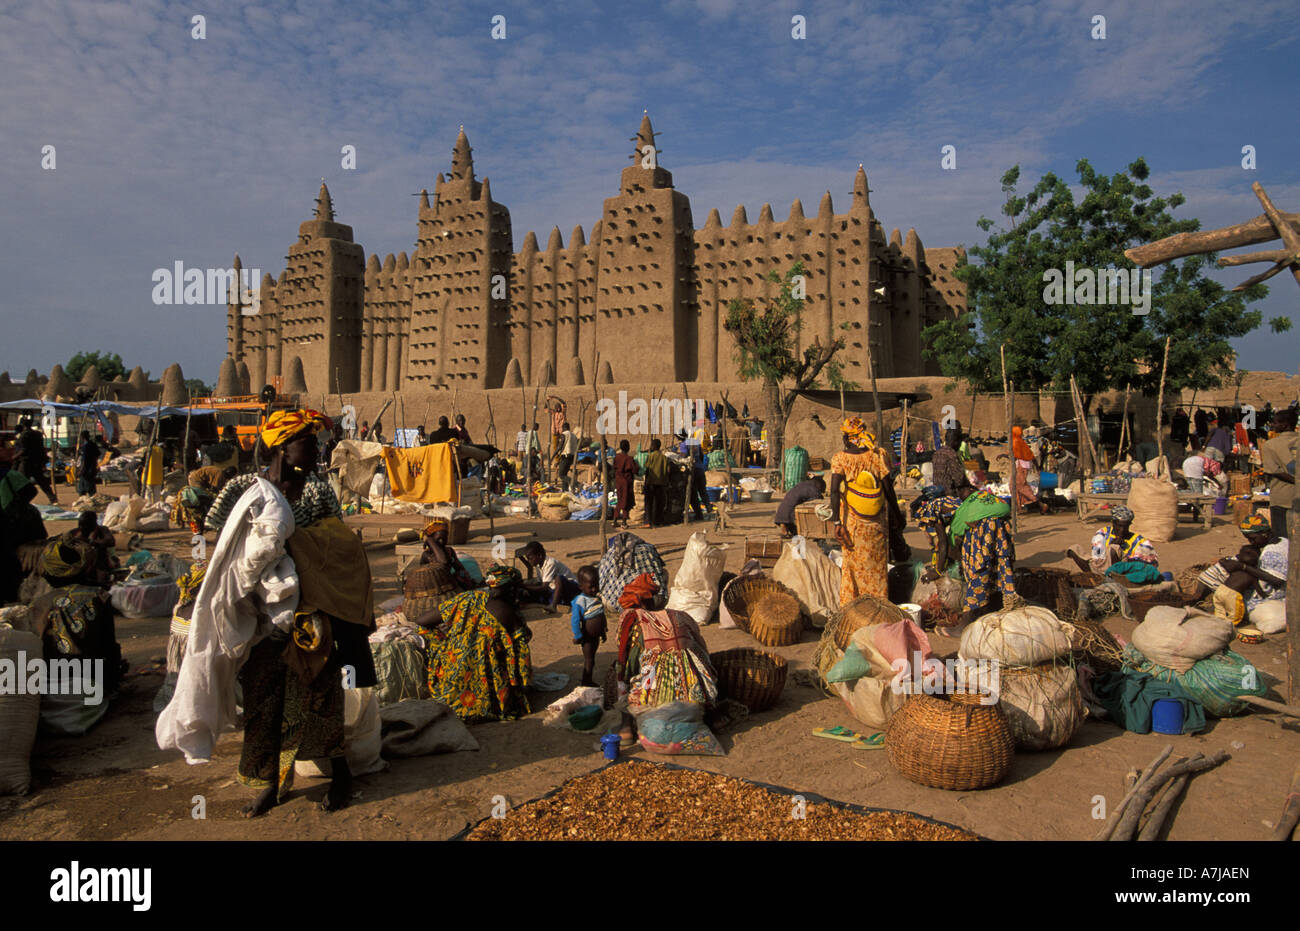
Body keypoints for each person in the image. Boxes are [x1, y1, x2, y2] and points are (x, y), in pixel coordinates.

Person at [226, 409, 375, 817]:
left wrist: (296, 549)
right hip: (261, 614)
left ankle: (340, 773)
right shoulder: (245, 489)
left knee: (319, 692)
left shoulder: (318, 491)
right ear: (282, 446)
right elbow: (224, 542)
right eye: (307, 443)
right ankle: (269, 782)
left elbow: (340, 546)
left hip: (312, 611)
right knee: (263, 697)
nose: (315, 451)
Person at [414, 565, 532, 722]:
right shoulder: (512, 616)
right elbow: (522, 664)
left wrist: (443, 642)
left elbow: (421, 621)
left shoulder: (467, 599)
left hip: (449, 681)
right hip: (487, 695)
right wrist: (520, 688)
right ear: (512, 589)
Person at [919, 482, 1016, 637]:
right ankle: (999, 611)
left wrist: (937, 570)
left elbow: (943, 544)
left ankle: (964, 625)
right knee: (997, 570)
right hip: (1000, 528)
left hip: (982, 532)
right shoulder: (961, 504)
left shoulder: (933, 511)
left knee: (978, 574)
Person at [614, 573, 718, 709]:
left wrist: (625, 679)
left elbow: (631, 662)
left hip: (655, 695)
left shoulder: (636, 620)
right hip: (695, 694)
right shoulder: (680, 615)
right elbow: (702, 651)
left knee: (639, 695)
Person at [828, 417, 892, 604]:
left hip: (852, 526)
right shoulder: (876, 455)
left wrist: (837, 522)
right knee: (877, 569)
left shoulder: (841, 458)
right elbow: (888, 490)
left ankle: (853, 610)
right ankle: (878, 608)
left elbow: (833, 491)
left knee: (852, 569)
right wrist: (896, 517)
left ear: (848, 438)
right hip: (876, 524)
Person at [1183, 514, 1287, 621]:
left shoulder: (1272, 552)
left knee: (1240, 577)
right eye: (1248, 539)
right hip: (1272, 585)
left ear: (1264, 534)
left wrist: (1242, 566)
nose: (1251, 542)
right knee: (1225, 571)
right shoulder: (1282, 540)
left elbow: (1277, 580)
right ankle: (1203, 598)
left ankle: (1223, 608)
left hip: (1274, 593)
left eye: (1253, 538)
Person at [403, 517, 474, 619]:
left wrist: (462, 576)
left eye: (444, 538)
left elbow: (459, 568)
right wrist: (431, 542)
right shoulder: (427, 555)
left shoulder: (449, 551)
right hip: (433, 588)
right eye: (438, 539)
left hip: (448, 584)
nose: (441, 541)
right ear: (431, 539)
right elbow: (443, 562)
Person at [1067, 505, 1158, 575]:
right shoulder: (1103, 533)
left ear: (1129, 525)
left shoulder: (1140, 541)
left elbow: (1152, 564)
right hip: (1100, 569)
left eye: (1125, 526)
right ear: (1113, 523)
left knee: (1114, 549)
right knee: (1073, 549)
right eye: (1119, 526)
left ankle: (1115, 580)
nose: (1122, 530)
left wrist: (1124, 556)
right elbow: (1097, 557)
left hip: (1124, 574)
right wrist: (1110, 547)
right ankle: (1093, 577)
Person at [1260, 407, 1296, 540]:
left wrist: (1296, 481)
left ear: (1285, 424)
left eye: (1275, 423)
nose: (1272, 425)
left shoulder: (1270, 445)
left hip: (1282, 498)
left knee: (1282, 539)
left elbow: (1274, 471)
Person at [516, 540, 580, 611]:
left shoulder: (550, 563)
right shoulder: (539, 565)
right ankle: (554, 603)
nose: (529, 561)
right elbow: (541, 583)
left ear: (539, 556)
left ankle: (553, 605)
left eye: (530, 558)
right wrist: (526, 586)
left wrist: (524, 586)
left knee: (559, 578)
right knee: (533, 594)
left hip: (571, 589)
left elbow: (544, 587)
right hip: (555, 590)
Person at [570, 565, 606, 687]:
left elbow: (601, 614)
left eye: (596, 585)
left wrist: (603, 631)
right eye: (591, 587)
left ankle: (588, 680)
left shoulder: (597, 598)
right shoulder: (580, 601)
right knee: (589, 660)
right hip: (586, 637)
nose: (594, 589)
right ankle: (586, 682)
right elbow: (575, 620)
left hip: (595, 636)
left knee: (592, 659)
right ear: (581, 586)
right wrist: (578, 635)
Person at [16, 417, 58, 504]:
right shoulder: (38, 434)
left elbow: (23, 449)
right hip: (37, 462)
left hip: (26, 462)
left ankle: (19, 500)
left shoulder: (24, 435)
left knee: (20, 482)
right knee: (42, 482)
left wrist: (14, 456)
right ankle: (53, 499)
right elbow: (41, 448)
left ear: (23, 425)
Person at [676, 430, 711, 521]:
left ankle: (698, 514)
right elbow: (701, 456)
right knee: (703, 491)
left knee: (692, 493)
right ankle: (708, 508)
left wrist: (677, 455)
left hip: (693, 471)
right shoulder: (696, 441)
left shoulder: (684, 444)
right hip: (700, 469)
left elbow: (684, 456)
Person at [1011, 425, 1042, 513]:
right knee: (1013, 486)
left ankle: (1037, 503)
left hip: (1022, 466)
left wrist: (1005, 455)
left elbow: (1016, 454)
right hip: (1020, 466)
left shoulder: (1017, 442)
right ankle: (1020, 506)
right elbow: (1030, 456)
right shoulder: (1020, 442)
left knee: (1020, 486)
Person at [641, 438, 670, 528]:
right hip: (661, 483)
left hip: (651, 482)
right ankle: (658, 521)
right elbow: (667, 471)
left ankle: (648, 521)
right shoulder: (664, 458)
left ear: (653, 446)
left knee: (649, 503)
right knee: (659, 503)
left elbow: (647, 469)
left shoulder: (650, 456)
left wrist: (645, 482)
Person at [930, 429, 966, 496]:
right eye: (959, 443)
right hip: (949, 495)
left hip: (937, 492)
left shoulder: (937, 453)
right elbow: (959, 480)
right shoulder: (952, 454)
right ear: (956, 442)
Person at [612, 439, 637, 528]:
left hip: (618, 481)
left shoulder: (617, 457)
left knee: (619, 500)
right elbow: (635, 470)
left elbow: (614, 467)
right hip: (627, 482)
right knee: (626, 501)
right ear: (628, 448)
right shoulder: (629, 459)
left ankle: (615, 520)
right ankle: (624, 522)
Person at [555, 422, 578, 492]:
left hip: (566, 456)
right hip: (572, 457)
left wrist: (554, 455)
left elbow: (560, 446)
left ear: (563, 428)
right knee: (564, 474)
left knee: (561, 474)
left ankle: (574, 483)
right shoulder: (574, 435)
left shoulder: (564, 434)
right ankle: (565, 491)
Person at [76, 430, 100, 498]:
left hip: (86, 470)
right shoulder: (93, 444)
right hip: (92, 468)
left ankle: (88, 499)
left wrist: (81, 470)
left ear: (83, 437)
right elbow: (97, 454)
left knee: (85, 488)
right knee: (87, 486)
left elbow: (84, 460)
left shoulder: (85, 446)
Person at [141, 440, 165, 505]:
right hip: (158, 476)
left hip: (148, 476)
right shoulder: (160, 450)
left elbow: (143, 462)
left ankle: (149, 508)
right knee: (157, 497)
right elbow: (164, 462)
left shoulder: (147, 450)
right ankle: (156, 508)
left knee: (148, 496)